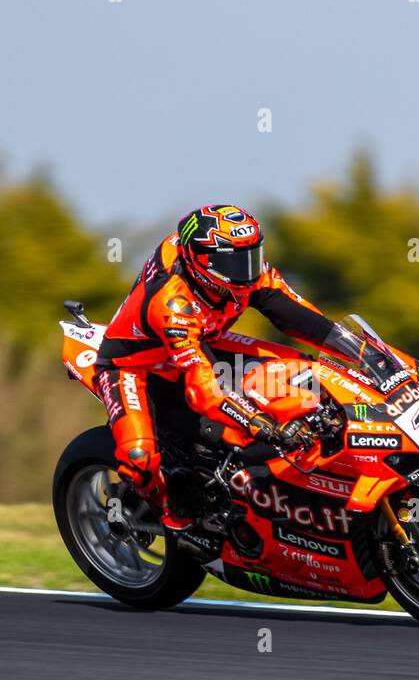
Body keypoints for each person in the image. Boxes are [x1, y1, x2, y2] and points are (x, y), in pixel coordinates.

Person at [93, 204, 338, 531]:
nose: (248, 271)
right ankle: (166, 511)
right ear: (201, 260)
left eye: (251, 255)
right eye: (234, 261)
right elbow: (203, 390)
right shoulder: (172, 302)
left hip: (203, 341)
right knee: (139, 460)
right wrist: (261, 424)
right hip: (136, 368)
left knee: (301, 374)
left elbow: (308, 321)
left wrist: (378, 356)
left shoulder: (236, 273)